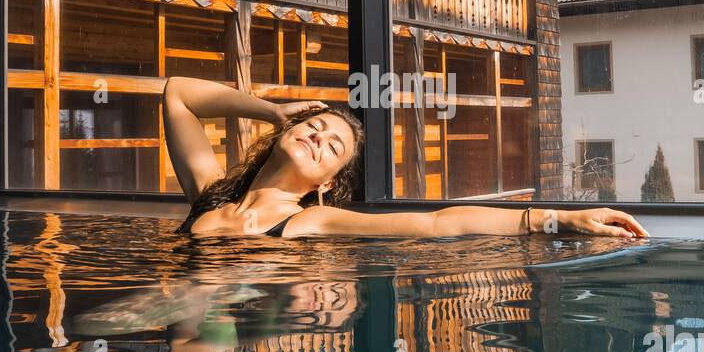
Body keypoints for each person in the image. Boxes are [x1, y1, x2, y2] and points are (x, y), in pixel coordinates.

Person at [163, 77, 649, 240]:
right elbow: (178, 94)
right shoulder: (210, 194)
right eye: (315, 125)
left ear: (325, 183)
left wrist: (557, 219)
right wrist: (270, 108)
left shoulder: (311, 221)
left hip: (213, 325)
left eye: (333, 146)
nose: (319, 136)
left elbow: (438, 225)